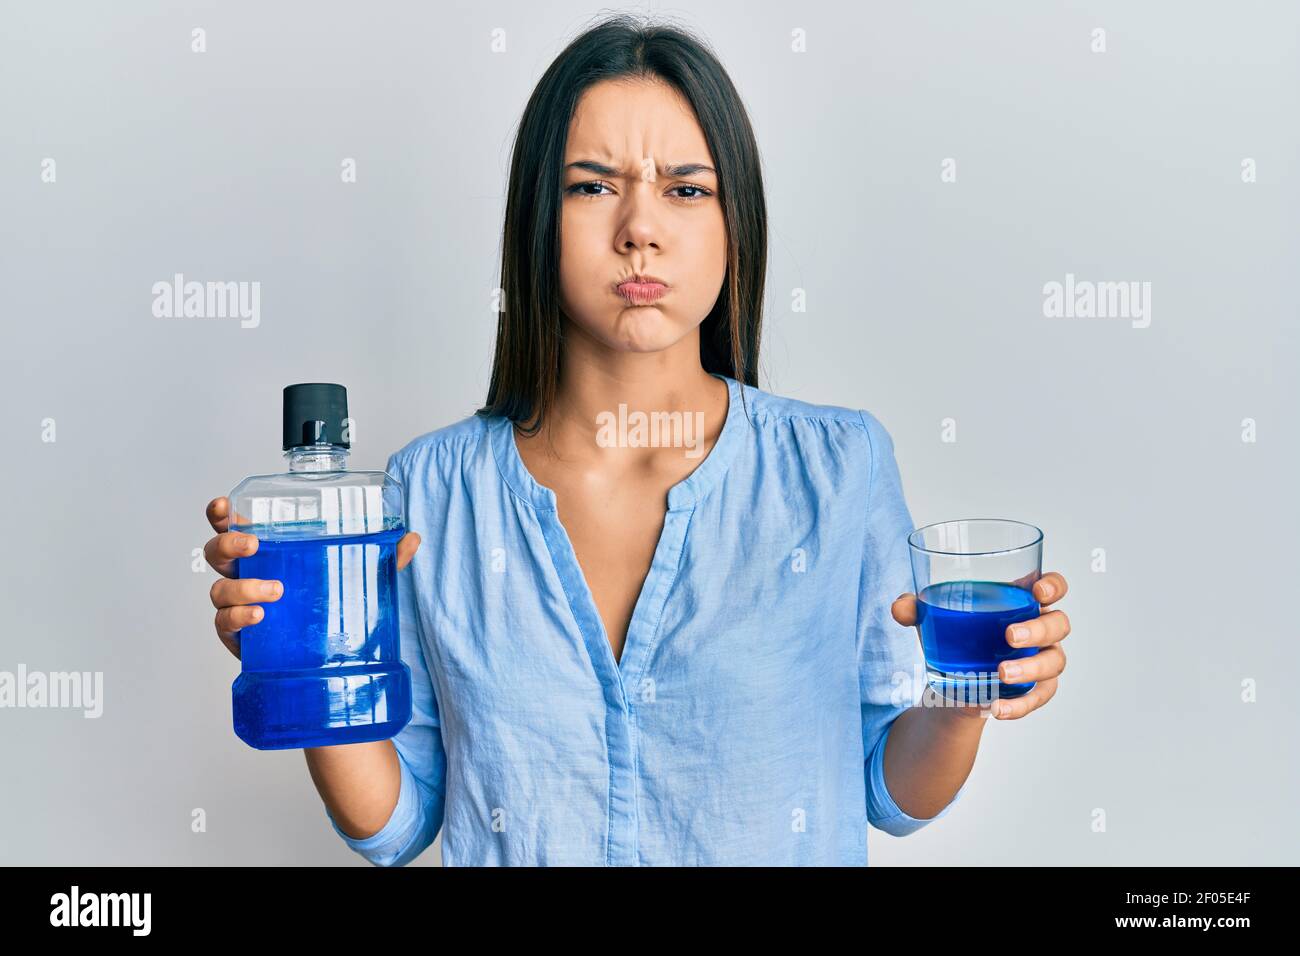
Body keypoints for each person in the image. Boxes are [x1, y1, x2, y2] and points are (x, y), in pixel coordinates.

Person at [204, 14, 1070, 866]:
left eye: (686, 189)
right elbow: (398, 823)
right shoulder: (431, 491)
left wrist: (963, 700)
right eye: (592, 186)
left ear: (738, 225)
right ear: (537, 221)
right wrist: (307, 665)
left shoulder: (839, 469)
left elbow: (889, 790)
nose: (639, 229)